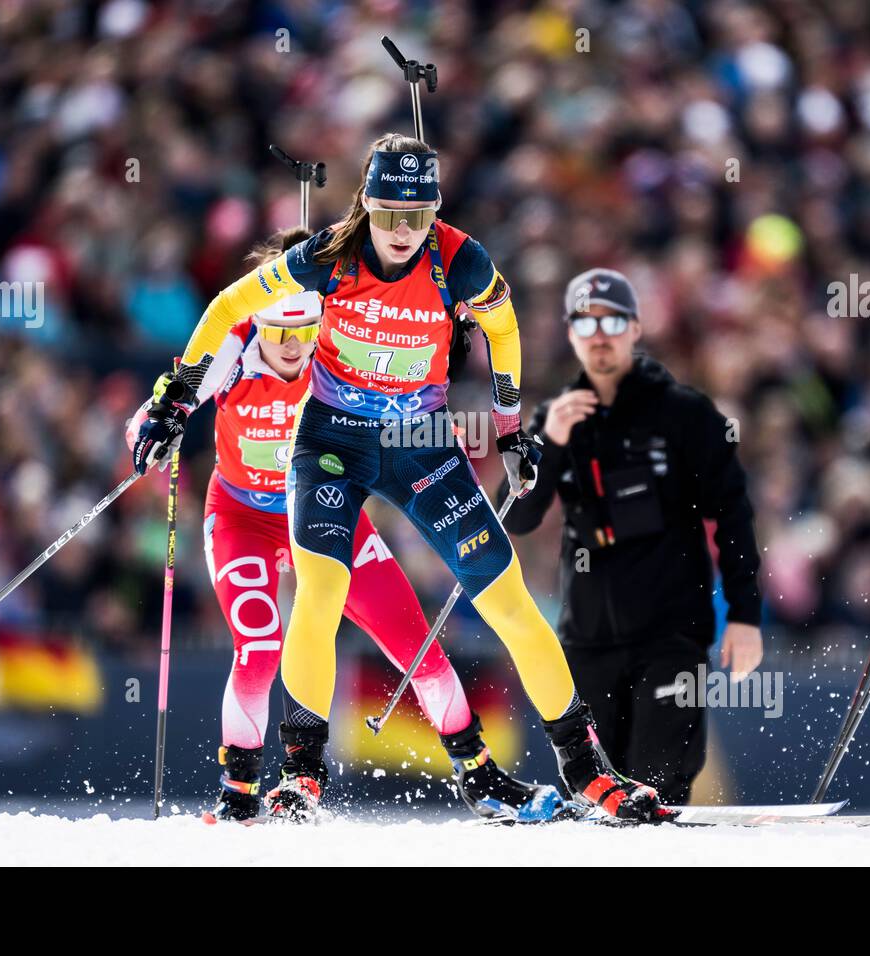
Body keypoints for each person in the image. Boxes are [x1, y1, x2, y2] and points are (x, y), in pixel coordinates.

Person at [130, 133, 672, 825]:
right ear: (366, 205)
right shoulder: (329, 254)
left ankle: (592, 774)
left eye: (417, 216)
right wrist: (175, 397)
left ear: (435, 211)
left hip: (420, 443)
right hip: (331, 442)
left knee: (507, 600)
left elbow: (503, 328)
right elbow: (230, 306)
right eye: (388, 213)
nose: (402, 231)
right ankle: (300, 775)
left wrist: (509, 428)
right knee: (320, 591)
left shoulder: (460, 259)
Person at [126, 227, 556, 823]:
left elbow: (394, 390)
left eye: (305, 330)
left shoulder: (332, 344)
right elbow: (165, 403)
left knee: (415, 643)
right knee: (258, 645)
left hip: (329, 515)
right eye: (280, 330)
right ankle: (240, 789)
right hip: (244, 518)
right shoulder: (232, 345)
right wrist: (154, 426)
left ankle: (480, 773)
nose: (293, 344)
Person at [497, 268, 763, 804]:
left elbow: (733, 515)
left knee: (658, 788)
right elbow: (519, 522)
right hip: (586, 639)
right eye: (586, 322)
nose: (600, 334)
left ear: (636, 328)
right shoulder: (556, 418)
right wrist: (548, 447)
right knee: (595, 796)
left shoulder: (685, 414)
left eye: (613, 321)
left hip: (671, 636)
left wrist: (745, 616)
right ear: (570, 331)